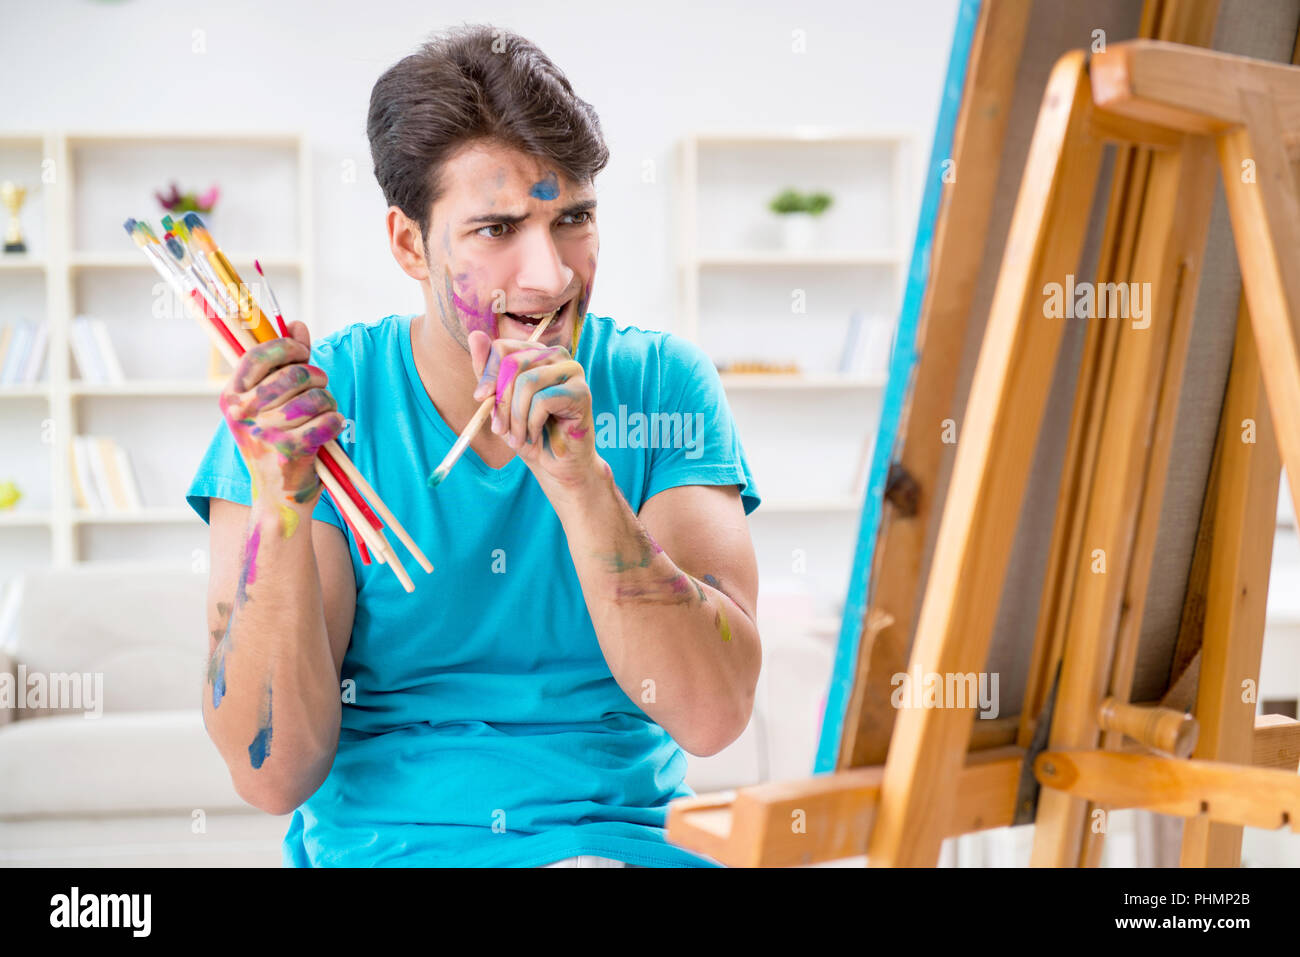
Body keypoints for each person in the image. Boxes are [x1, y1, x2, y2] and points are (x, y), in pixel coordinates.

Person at [186, 23, 762, 867]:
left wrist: (583, 488)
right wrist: (278, 501)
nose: (552, 274)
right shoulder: (317, 406)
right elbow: (273, 772)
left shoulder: (663, 385)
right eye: (497, 230)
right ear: (410, 244)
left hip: (619, 851)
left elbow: (713, 718)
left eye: (573, 219)